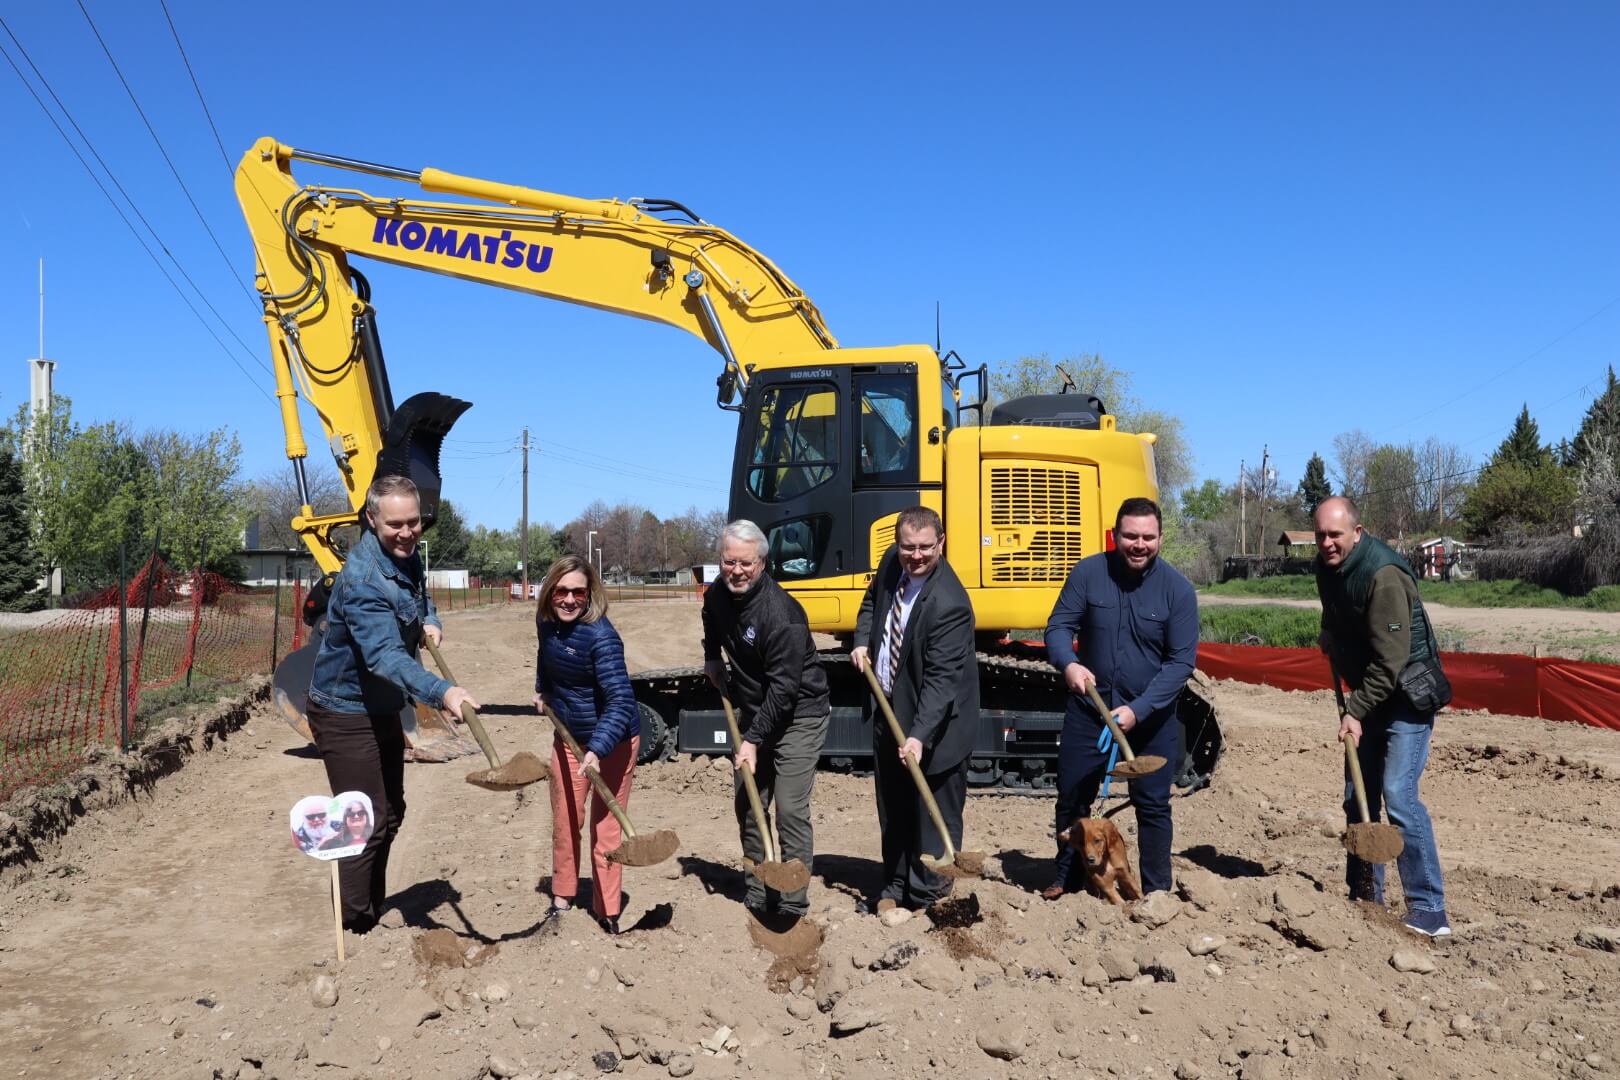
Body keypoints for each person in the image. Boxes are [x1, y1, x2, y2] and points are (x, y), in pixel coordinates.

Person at [306, 475, 479, 933]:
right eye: (395, 525)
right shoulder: (362, 580)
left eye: (414, 522)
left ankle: (368, 906)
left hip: (380, 705)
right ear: (371, 519)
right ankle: (356, 924)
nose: (407, 533)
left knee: (391, 811)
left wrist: (431, 621)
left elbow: (420, 600)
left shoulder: (405, 555)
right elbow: (383, 656)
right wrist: (442, 692)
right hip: (344, 710)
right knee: (364, 819)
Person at [1043, 497, 1198, 899]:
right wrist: (1069, 664)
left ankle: (1157, 889)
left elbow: (1180, 663)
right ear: (1116, 535)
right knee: (1073, 797)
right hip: (1089, 711)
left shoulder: (1177, 591)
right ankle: (1066, 878)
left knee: (1152, 805)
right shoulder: (1089, 573)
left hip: (1150, 719)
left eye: (1148, 537)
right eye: (1130, 536)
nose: (1139, 544)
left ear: (1160, 538)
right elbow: (1059, 626)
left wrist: (1138, 709)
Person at [1314, 496, 1451, 937]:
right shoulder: (1327, 567)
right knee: (1358, 796)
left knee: (1398, 794)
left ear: (1358, 531)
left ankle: (1429, 909)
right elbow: (1336, 612)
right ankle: (1365, 895)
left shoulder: (1385, 575)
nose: (1327, 543)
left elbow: (1391, 663)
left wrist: (1355, 710)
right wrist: (1329, 634)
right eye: (1320, 535)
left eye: (1336, 534)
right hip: (1371, 695)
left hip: (1406, 697)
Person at [850, 506, 978, 913]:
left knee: (932, 815)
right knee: (894, 808)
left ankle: (928, 899)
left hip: (936, 727)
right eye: (908, 548)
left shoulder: (950, 604)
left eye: (925, 547)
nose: (916, 556)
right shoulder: (893, 561)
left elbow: (941, 683)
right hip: (890, 709)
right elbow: (873, 599)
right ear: (897, 544)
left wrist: (919, 736)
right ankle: (894, 886)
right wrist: (861, 639)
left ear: (941, 543)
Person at [702, 519, 830, 920]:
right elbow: (711, 615)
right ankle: (757, 890)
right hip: (755, 709)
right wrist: (711, 656)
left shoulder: (782, 614)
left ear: (762, 562)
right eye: (728, 562)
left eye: (745, 563)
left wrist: (753, 741)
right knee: (749, 803)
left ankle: (792, 902)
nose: (735, 571)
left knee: (789, 808)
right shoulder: (719, 594)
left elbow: (785, 692)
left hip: (798, 714)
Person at [533, 554, 639, 934]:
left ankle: (608, 910)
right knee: (565, 820)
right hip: (568, 737)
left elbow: (622, 701)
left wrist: (598, 747)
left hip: (614, 742)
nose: (569, 599)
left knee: (606, 829)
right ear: (550, 591)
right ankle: (562, 896)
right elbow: (547, 659)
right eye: (561, 590)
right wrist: (542, 689)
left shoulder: (602, 637)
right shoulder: (545, 622)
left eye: (578, 592)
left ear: (589, 594)